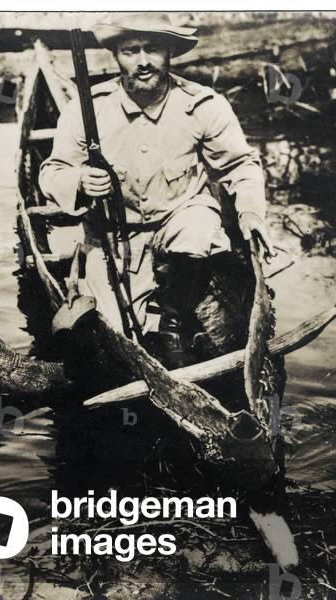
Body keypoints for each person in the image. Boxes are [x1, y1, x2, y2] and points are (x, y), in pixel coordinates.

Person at [39, 14, 271, 364]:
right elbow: (50, 173)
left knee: (200, 222)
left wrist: (251, 213)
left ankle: (173, 325)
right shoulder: (88, 110)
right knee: (113, 337)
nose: (143, 61)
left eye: (154, 49)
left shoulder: (202, 105)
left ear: (171, 52)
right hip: (114, 240)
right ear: (116, 55)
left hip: (179, 227)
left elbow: (240, 165)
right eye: (131, 51)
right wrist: (80, 182)